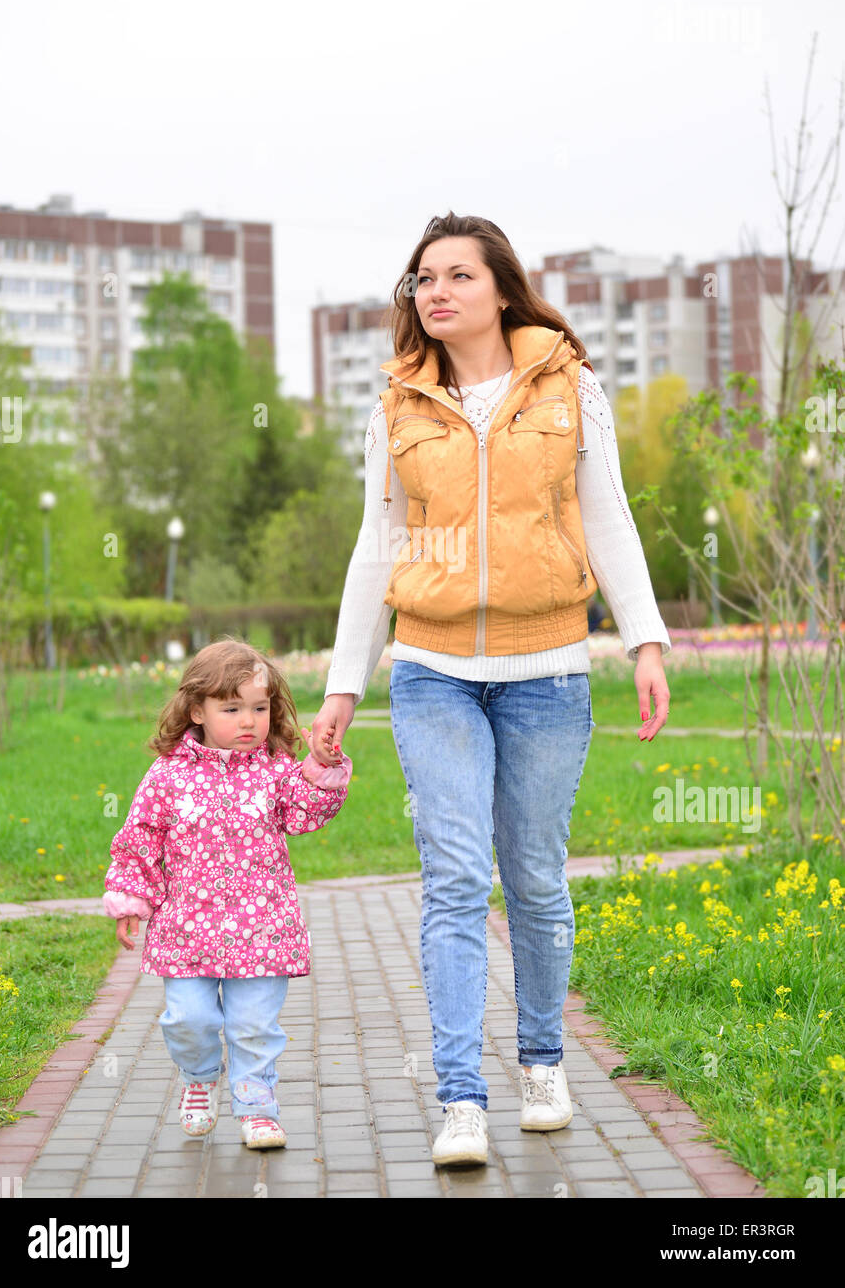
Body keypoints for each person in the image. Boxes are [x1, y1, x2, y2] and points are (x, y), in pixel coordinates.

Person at [308, 211, 672, 1167]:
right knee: (457, 878)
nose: (434, 292)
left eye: (457, 275)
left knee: (538, 881)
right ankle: (461, 1099)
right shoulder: (395, 403)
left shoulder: (570, 387)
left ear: (501, 289)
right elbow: (374, 544)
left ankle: (542, 1064)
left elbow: (611, 518)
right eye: (422, 279)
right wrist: (346, 682)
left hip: (548, 668)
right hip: (430, 672)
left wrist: (645, 640)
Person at [103, 637, 352, 1149]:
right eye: (232, 708)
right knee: (188, 1018)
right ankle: (198, 1077)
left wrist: (321, 767)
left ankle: (257, 1105)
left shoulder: (276, 770)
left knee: (253, 1025)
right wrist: (130, 896)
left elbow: (306, 814)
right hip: (187, 932)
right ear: (197, 710)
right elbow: (141, 837)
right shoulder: (169, 775)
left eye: (259, 708)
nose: (248, 721)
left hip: (262, 931)